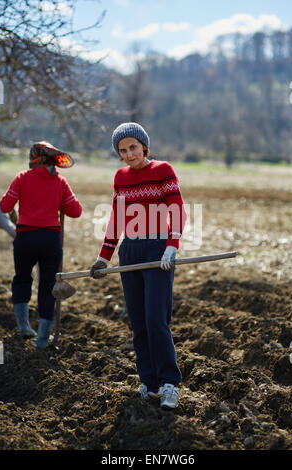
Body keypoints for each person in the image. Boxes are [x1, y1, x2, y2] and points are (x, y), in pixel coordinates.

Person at [90, 122, 187, 409]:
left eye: (133, 147)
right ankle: (149, 383)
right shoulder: (120, 177)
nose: (129, 154)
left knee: (157, 319)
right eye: (122, 150)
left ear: (144, 146)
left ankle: (169, 383)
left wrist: (172, 245)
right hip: (130, 250)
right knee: (139, 322)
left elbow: (177, 209)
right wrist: (104, 256)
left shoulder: (163, 170)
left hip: (157, 249)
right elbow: (116, 219)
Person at [0, 141, 82, 349]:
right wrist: (59, 200)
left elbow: (4, 206)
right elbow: (76, 211)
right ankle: (43, 339)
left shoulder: (22, 178)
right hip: (50, 239)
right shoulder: (60, 182)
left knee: (21, 279)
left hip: (25, 238)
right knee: (48, 287)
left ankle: (24, 326)